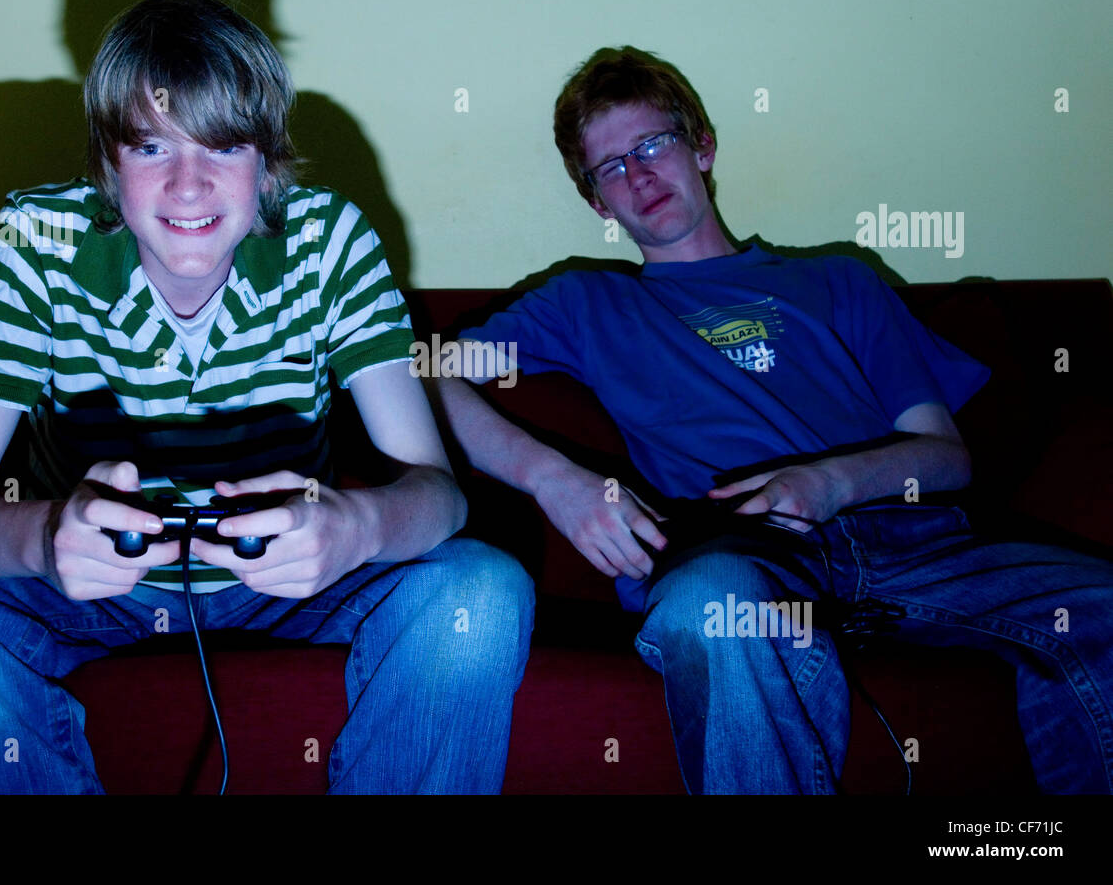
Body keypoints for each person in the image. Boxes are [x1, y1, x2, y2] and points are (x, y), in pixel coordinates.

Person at [0, 0, 534, 795]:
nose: (188, 185)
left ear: (268, 162)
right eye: (150, 147)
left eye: (222, 145)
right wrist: (43, 538)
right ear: (109, 161)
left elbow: (439, 494)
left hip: (288, 587)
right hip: (88, 594)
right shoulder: (34, 244)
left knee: (484, 589)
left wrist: (356, 525)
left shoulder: (331, 240)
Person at [435, 46, 1113, 794]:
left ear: (702, 145)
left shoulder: (838, 280)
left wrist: (826, 482)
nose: (639, 175)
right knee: (706, 604)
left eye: (653, 144)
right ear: (597, 202)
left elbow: (947, 455)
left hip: (918, 546)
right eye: (610, 167)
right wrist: (557, 481)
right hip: (747, 558)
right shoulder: (585, 303)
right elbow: (423, 373)